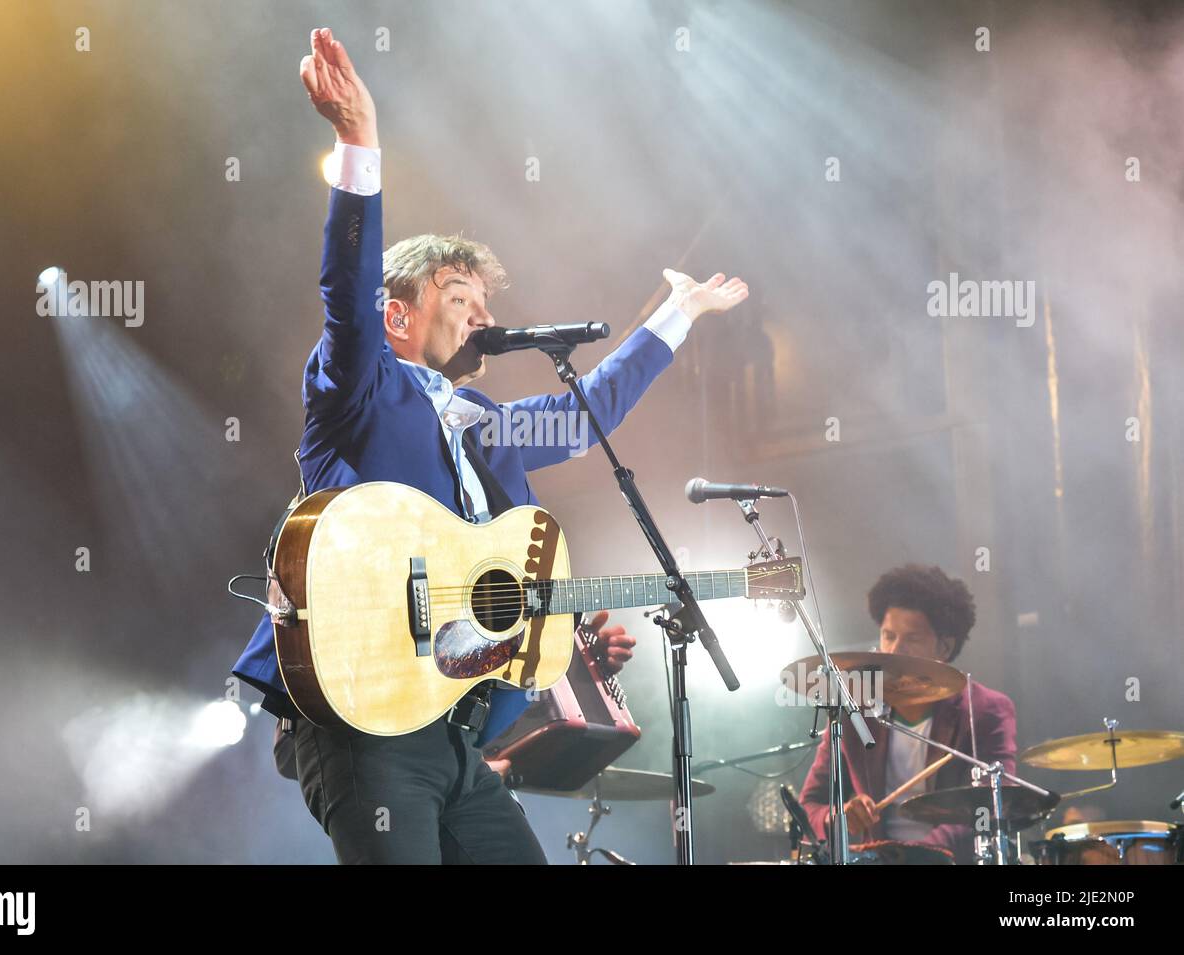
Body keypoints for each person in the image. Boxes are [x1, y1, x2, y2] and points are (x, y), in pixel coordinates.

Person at [232, 27, 750, 864]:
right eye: (459, 293)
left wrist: (678, 313)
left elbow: (588, 413)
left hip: (450, 729)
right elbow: (346, 292)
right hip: (360, 710)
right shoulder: (360, 382)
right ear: (398, 314)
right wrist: (359, 144)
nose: (480, 314)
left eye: (483, 301)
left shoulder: (484, 423)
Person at [798, 564, 1017, 864]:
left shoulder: (985, 710)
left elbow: (993, 804)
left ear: (944, 647)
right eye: (888, 636)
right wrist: (838, 817)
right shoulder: (853, 711)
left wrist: (916, 856)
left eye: (911, 639)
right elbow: (809, 804)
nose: (893, 650)